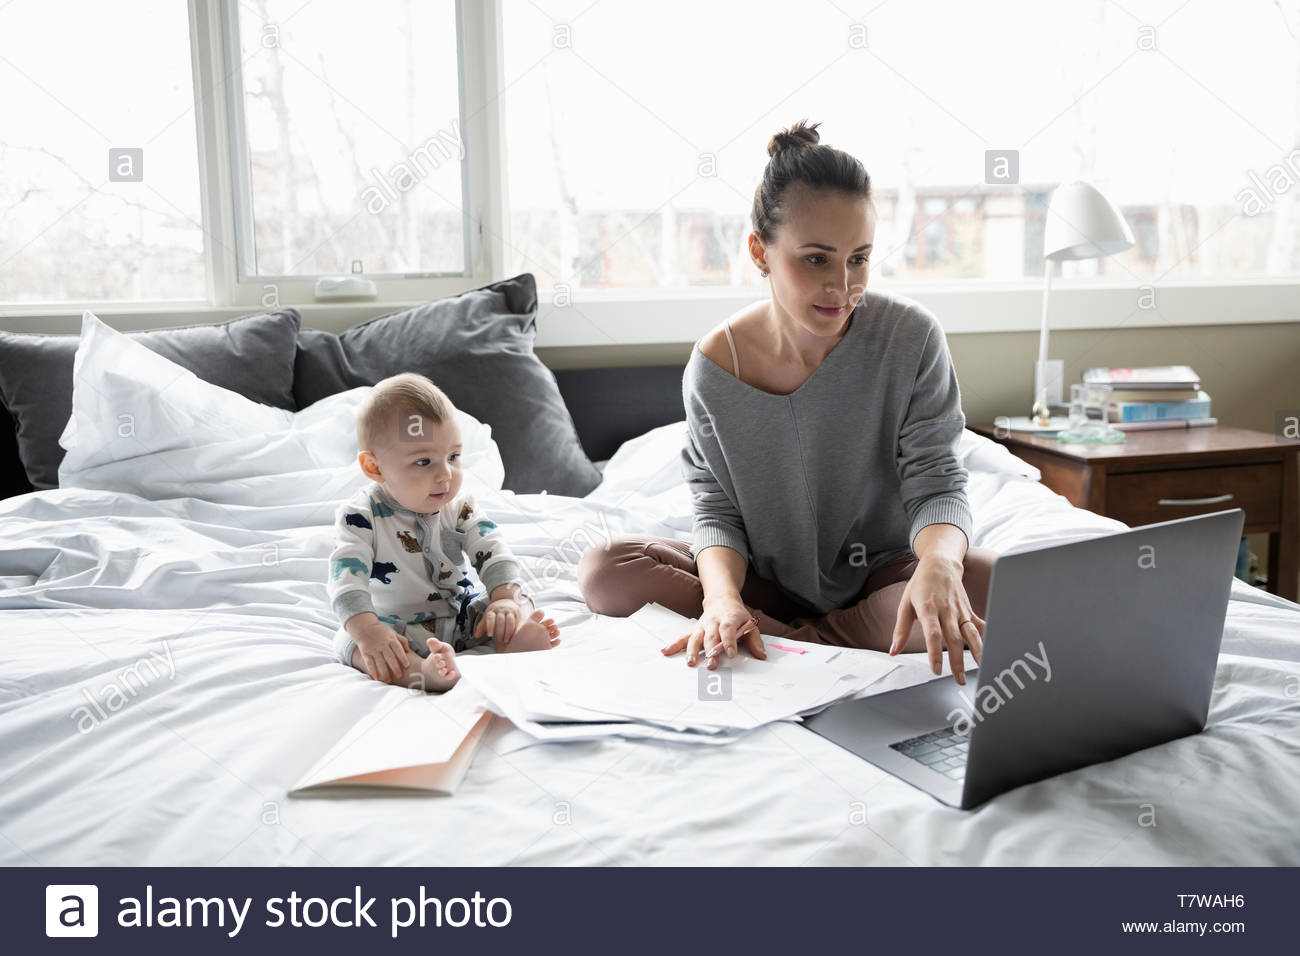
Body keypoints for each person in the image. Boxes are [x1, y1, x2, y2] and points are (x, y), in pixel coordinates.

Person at [578, 119, 997, 686]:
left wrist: (940, 565)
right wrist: (721, 601)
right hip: (765, 581)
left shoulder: (912, 338)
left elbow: (938, 481)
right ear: (760, 251)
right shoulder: (714, 366)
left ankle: (781, 645)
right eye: (816, 259)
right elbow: (716, 509)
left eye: (859, 258)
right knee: (606, 571)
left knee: (1002, 584)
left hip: (885, 576)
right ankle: (793, 636)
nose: (843, 286)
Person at [327, 372, 559, 692]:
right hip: (397, 632)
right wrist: (368, 631)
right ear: (374, 467)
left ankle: (514, 639)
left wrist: (504, 599)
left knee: (510, 602)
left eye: (453, 457)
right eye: (424, 462)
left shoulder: (459, 507)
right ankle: (424, 672)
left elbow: (492, 549)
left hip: (463, 618)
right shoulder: (360, 517)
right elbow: (345, 581)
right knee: (350, 643)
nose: (445, 475)